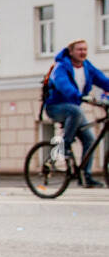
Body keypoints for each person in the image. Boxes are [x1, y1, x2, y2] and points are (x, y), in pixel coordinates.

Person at [44, 39, 109, 187]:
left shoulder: (87, 67)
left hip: (74, 110)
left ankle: (86, 177)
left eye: (85, 49)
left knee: (89, 140)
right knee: (76, 110)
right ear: (71, 51)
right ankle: (65, 146)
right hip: (56, 107)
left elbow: (103, 80)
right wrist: (79, 96)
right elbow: (63, 86)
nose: (83, 52)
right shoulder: (61, 67)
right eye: (79, 49)